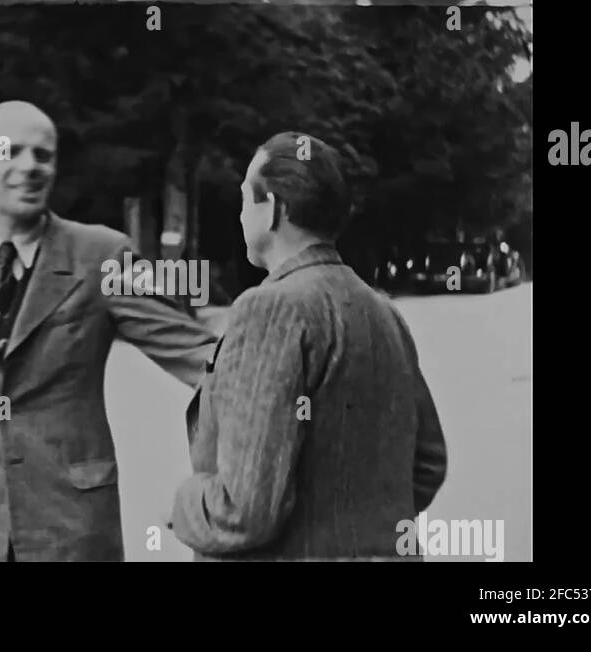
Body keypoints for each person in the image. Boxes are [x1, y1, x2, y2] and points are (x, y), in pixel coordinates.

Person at [0, 101, 218, 561]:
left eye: (43, 155)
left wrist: (284, 379)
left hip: (72, 522)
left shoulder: (103, 255)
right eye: (10, 151)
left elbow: (195, 352)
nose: (29, 167)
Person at [168, 132, 447, 560]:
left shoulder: (269, 309)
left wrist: (186, 504)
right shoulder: (385, 314)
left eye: (246, 200)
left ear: (274, 209)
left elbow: (245, 512)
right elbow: (427, 464)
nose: (241, 217)